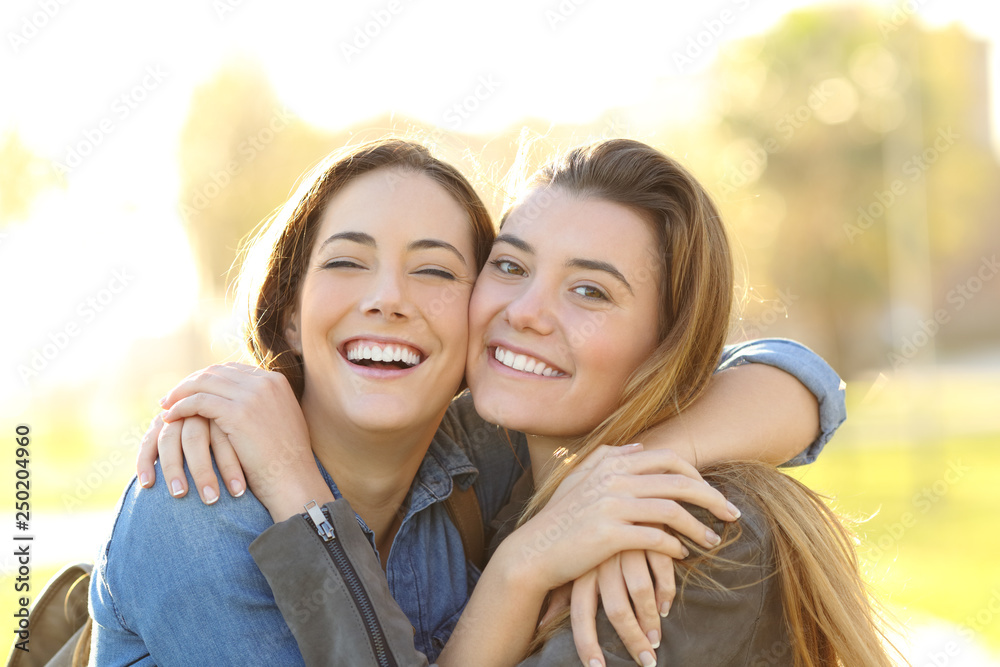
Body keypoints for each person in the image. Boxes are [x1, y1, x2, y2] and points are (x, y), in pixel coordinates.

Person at [91, 138, 845, 665]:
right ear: (289, 309)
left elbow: (801, 379)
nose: (525, 311)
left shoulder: (495, 462)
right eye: (512, 266)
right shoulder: (199, 502)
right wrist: (521, 564)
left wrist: (626, 469)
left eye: (436, 270)